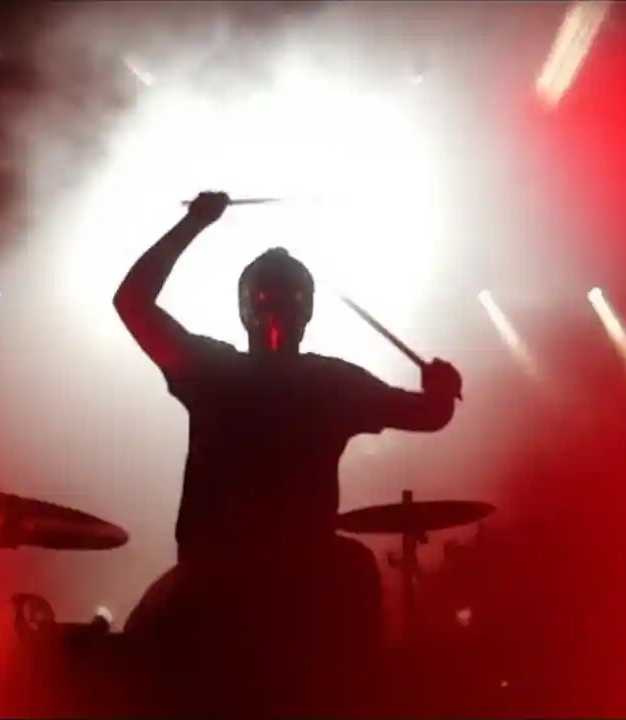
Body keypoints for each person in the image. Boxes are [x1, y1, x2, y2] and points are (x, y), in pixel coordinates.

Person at [115, 191, 462, 711]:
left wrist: (195, 223)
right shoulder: (332, 383)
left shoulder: (212, 371)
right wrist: (441, 387)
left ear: (242, 308)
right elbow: (431, 416)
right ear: (308, 311)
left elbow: (132, 302)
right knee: (356, 573)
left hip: (211, 580)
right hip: (306, 586)